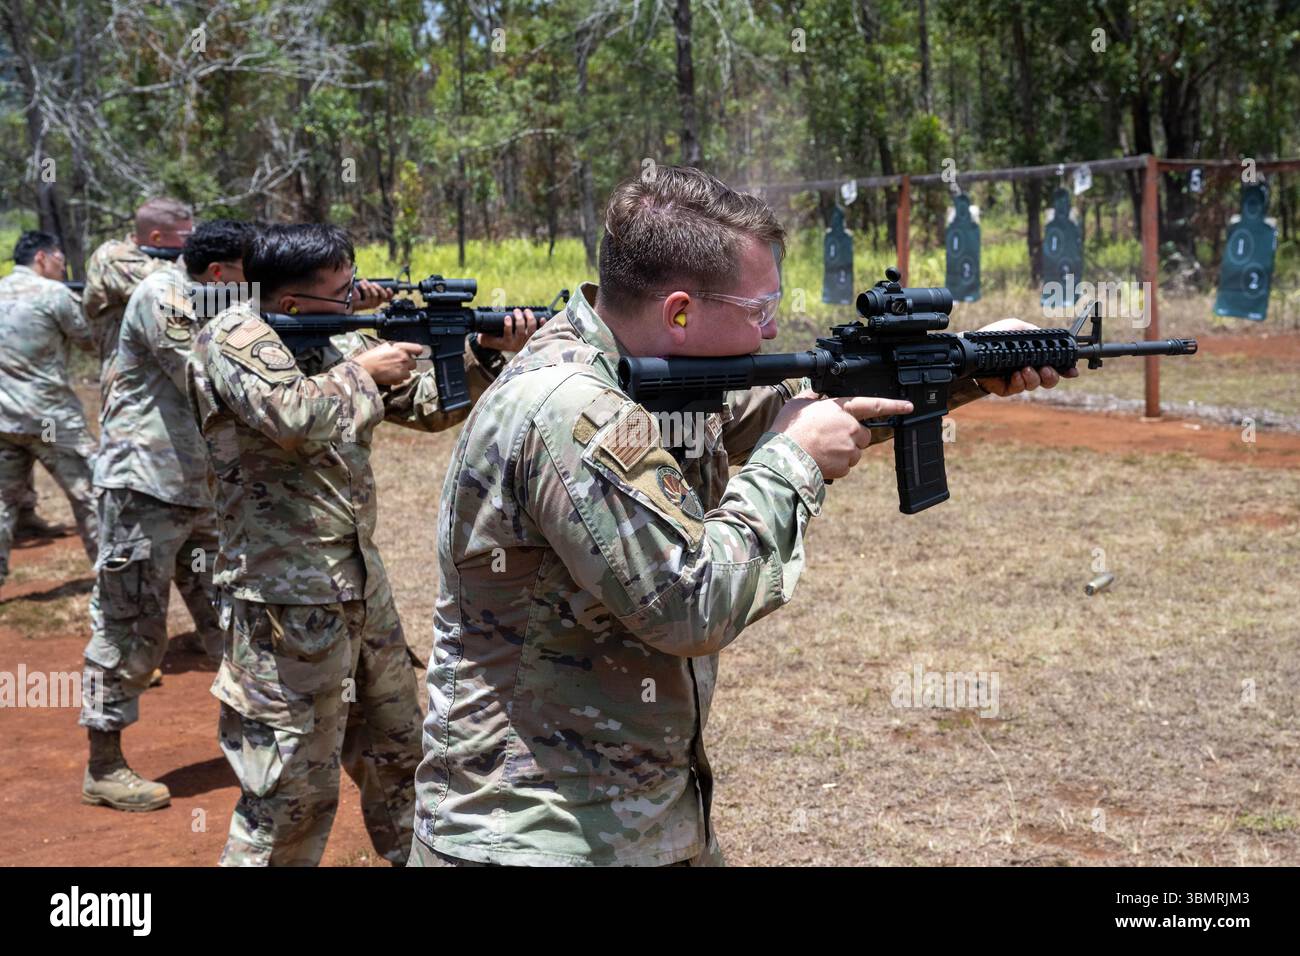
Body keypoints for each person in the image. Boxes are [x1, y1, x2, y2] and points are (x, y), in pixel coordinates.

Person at [409, 166, 1074, 867]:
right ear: (679, 312)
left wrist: (964, 363)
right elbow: (690, 601)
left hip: (629, 814)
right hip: (532, 835)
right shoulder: (575, 409)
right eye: (760, 309)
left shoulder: (641, 369)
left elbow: (785, 402)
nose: (776, 326)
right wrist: (794, 463)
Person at [186, 223, 538, 865]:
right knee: (292, 791)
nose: (358, 301)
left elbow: (428, 406)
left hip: (358, 586)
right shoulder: (233, 337)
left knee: (405, 756)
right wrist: (361, 370)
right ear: (291, 302)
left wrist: (487, 353)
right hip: (282, 606)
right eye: (342, 291)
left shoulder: (331, 340)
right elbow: (293, 418)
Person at [79, 219, 254, 812]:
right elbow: (209, 377)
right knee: (131, 625)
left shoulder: (211, 298)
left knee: (232, 620)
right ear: (220, 274)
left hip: (199, 494)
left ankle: (251, 746)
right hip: (144, 489)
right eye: (249, 276)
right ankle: (103, 767)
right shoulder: (161, 295)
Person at [0, 231, 98, 592]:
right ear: (41, 258)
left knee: (2, 502)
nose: (64, 264)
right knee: (90, 494)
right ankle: (113, 581)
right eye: (60, 257)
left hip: (3, 418)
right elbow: (90, 340)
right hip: (49, 420)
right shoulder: (54, 294)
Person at [83, 197, 194, 400]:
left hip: (170, 382)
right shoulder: (113, 257)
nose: (190, 242)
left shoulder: (162, 261)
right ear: (157, 238)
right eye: (186, 235)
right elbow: (176, 288)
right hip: (133, 392)